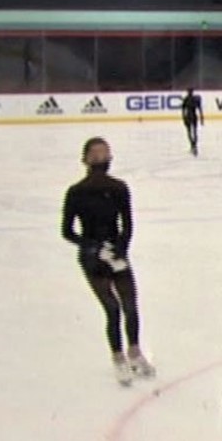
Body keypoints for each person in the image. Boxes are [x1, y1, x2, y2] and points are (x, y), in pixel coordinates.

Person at [61, 137, 154, 385]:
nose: (102, 158)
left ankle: (135, 351)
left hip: (116, 252)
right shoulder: (76, 192)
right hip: (92, 257)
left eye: (105, 154)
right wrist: (93, 247)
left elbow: (127, 224)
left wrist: (119, 248)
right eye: (97, 154)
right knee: (112, 309)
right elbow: (67, 231)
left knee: (130, 304)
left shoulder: (119, 188)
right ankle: (118, 358)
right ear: (86, 159)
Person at [181, 86, 205, 156]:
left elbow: (183, 110)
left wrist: (183, 118)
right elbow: (200, 110)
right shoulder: (194, 99)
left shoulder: (187, 99)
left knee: (191, 132)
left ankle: (193, 144)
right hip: (193, 116)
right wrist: (202, 118)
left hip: (189, 116)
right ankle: (194, 144)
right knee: (194, 132)